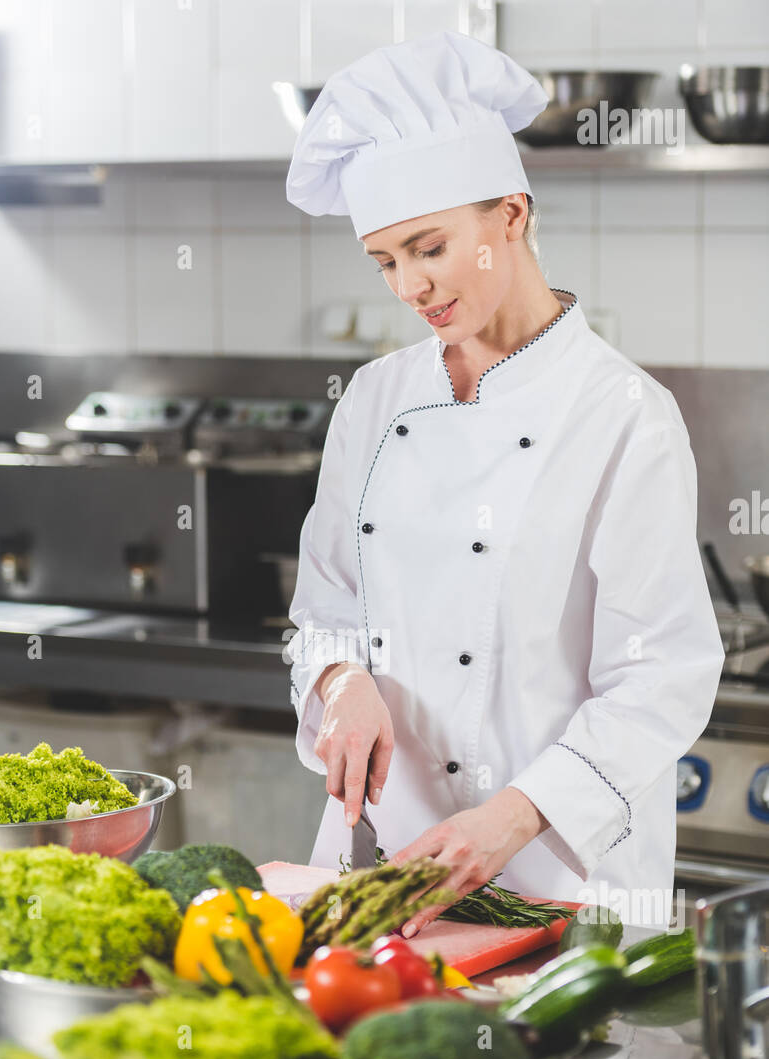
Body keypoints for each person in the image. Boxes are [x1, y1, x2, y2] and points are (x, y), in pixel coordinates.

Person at [284, 32, 724, 933]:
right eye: (385, 261)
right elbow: (322, 605)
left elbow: (660, 678)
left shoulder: (621, 415)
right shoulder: (374, 398)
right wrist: (338, 683)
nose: (409, 286)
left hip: (553, 863)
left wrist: (511, 817)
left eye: (429, 247)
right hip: (383, 862)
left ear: (512, 216)